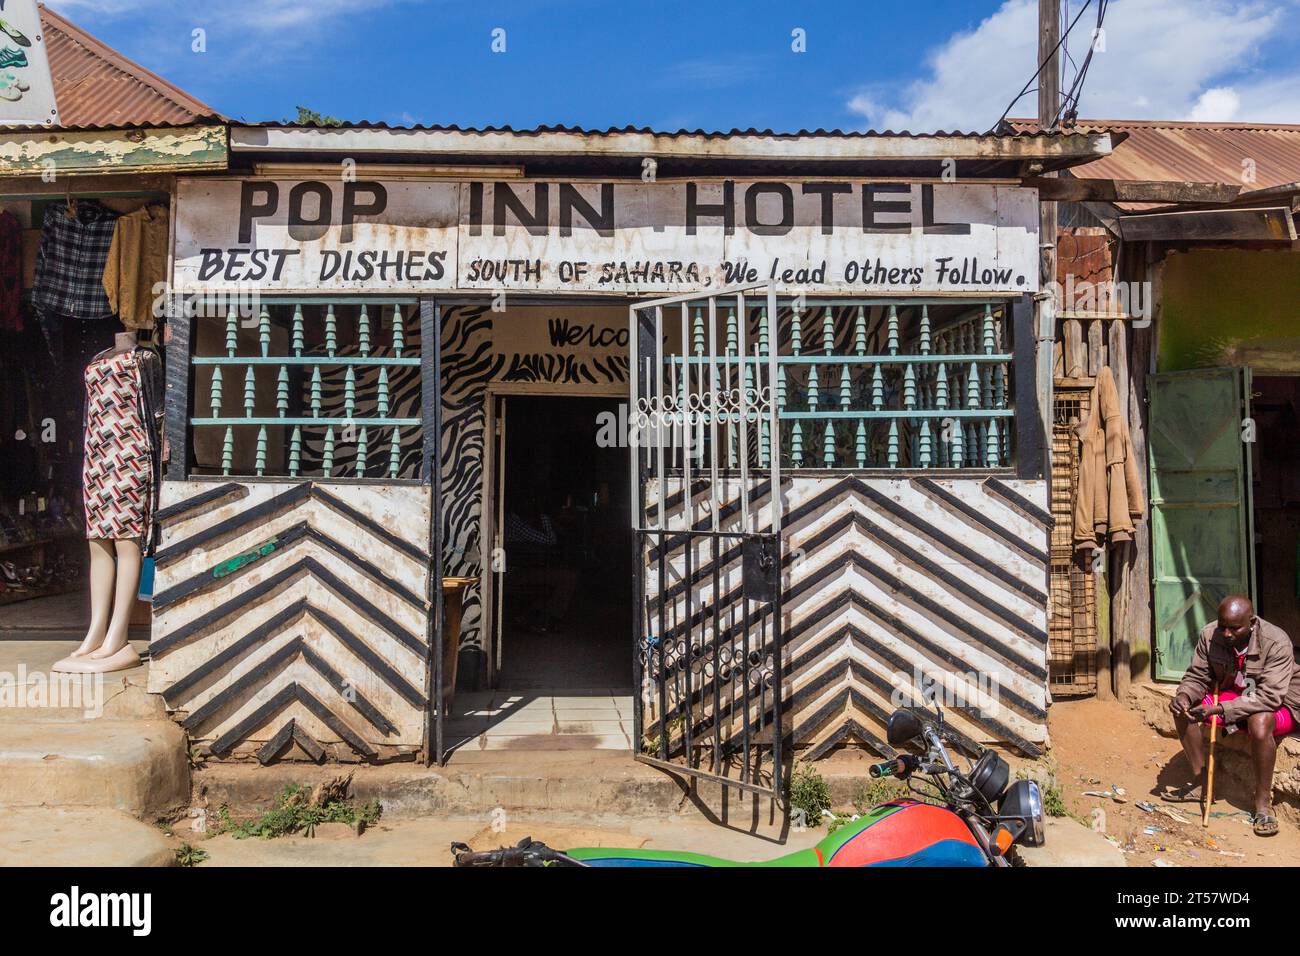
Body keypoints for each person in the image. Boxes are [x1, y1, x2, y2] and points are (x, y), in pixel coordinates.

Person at [1164, 595, 1300, 836]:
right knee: (1182, 709)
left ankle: (1262, 802)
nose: (1226, 633)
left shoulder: (1276, 641)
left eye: (1234, 628)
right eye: (1222, 625)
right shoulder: (1209, 634)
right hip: (1236, 695)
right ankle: (1201, 783)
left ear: (1252, 622)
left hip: (1281, 701)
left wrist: (1220, 710)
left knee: (1258, 723)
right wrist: (1184, 695)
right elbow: (1197, 676)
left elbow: (1269, 697)